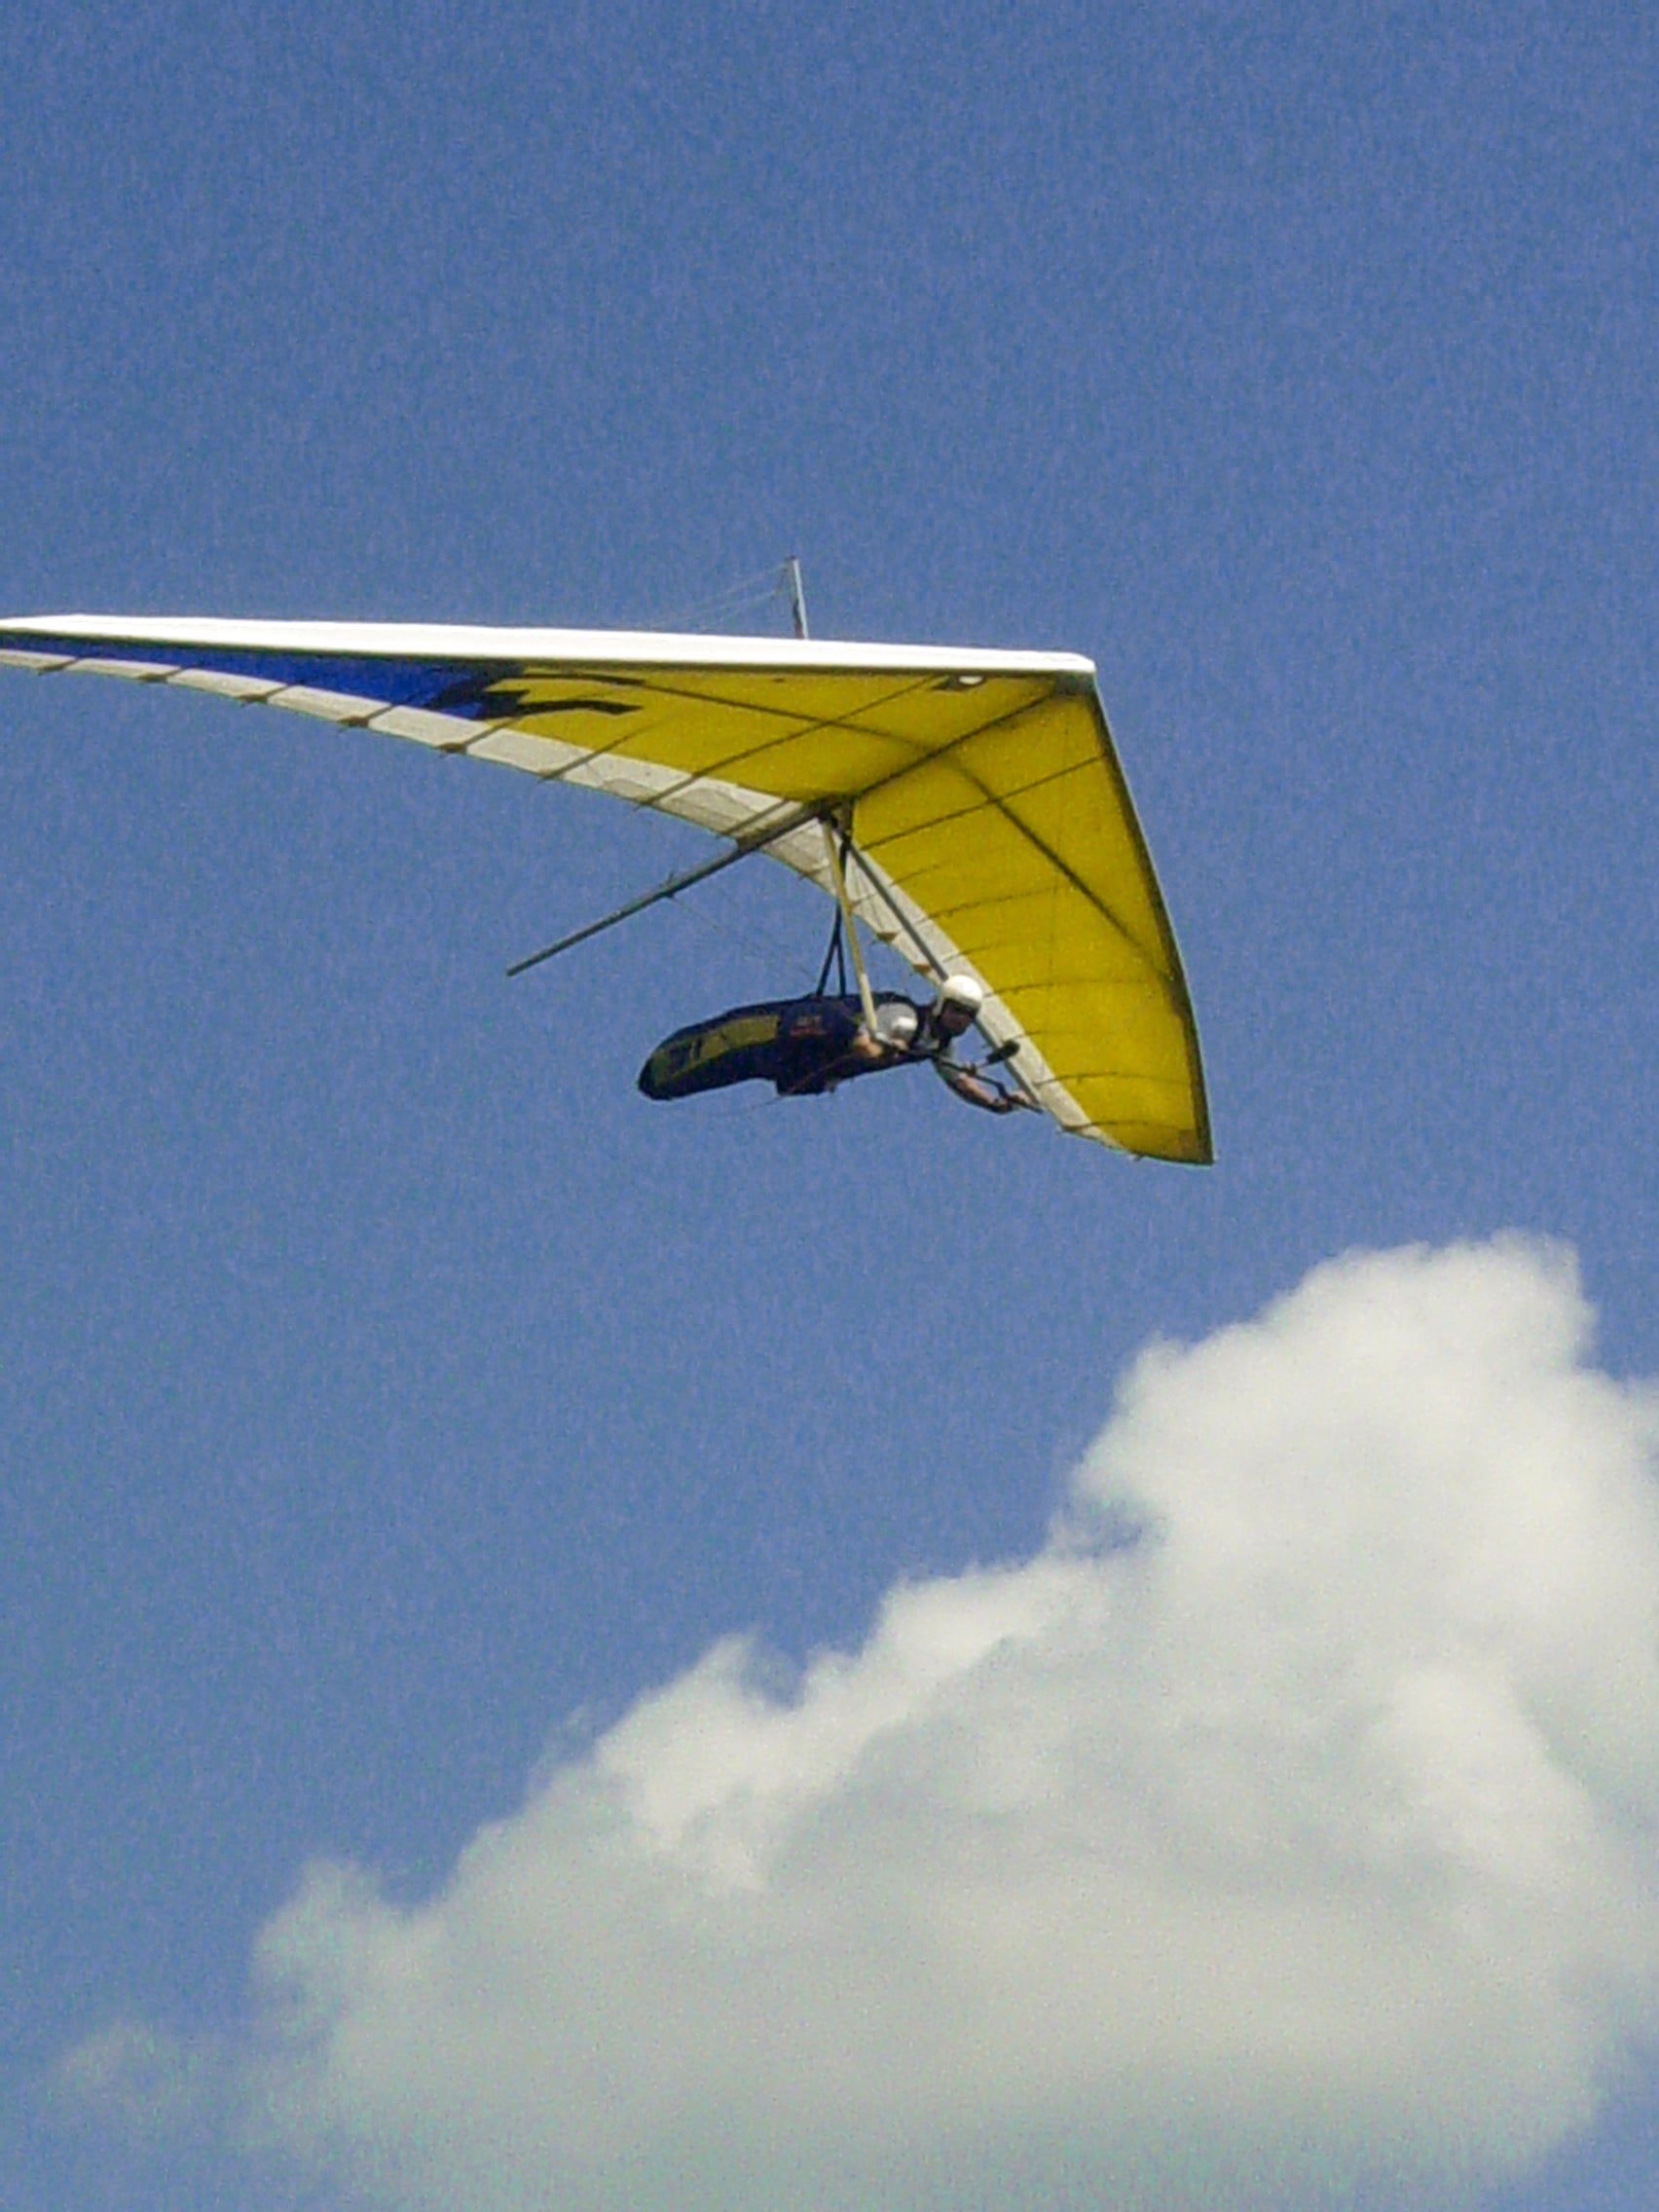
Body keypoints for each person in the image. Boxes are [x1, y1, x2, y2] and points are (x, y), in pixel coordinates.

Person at [638, 972, 1031, 1114]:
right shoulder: (907, 1018)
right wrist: (884, 1053)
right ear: (942, 1004)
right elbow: (863, 1045)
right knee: (729, 1043)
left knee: (745, 1072)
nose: (961, 1020)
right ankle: (663, 1070)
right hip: (780, 1036)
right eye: (957, 1010)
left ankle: (662, 1084)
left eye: (968, 1015)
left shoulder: (937, 1044)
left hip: (799, 1065)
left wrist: (996, 1104)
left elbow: (958, 1080)